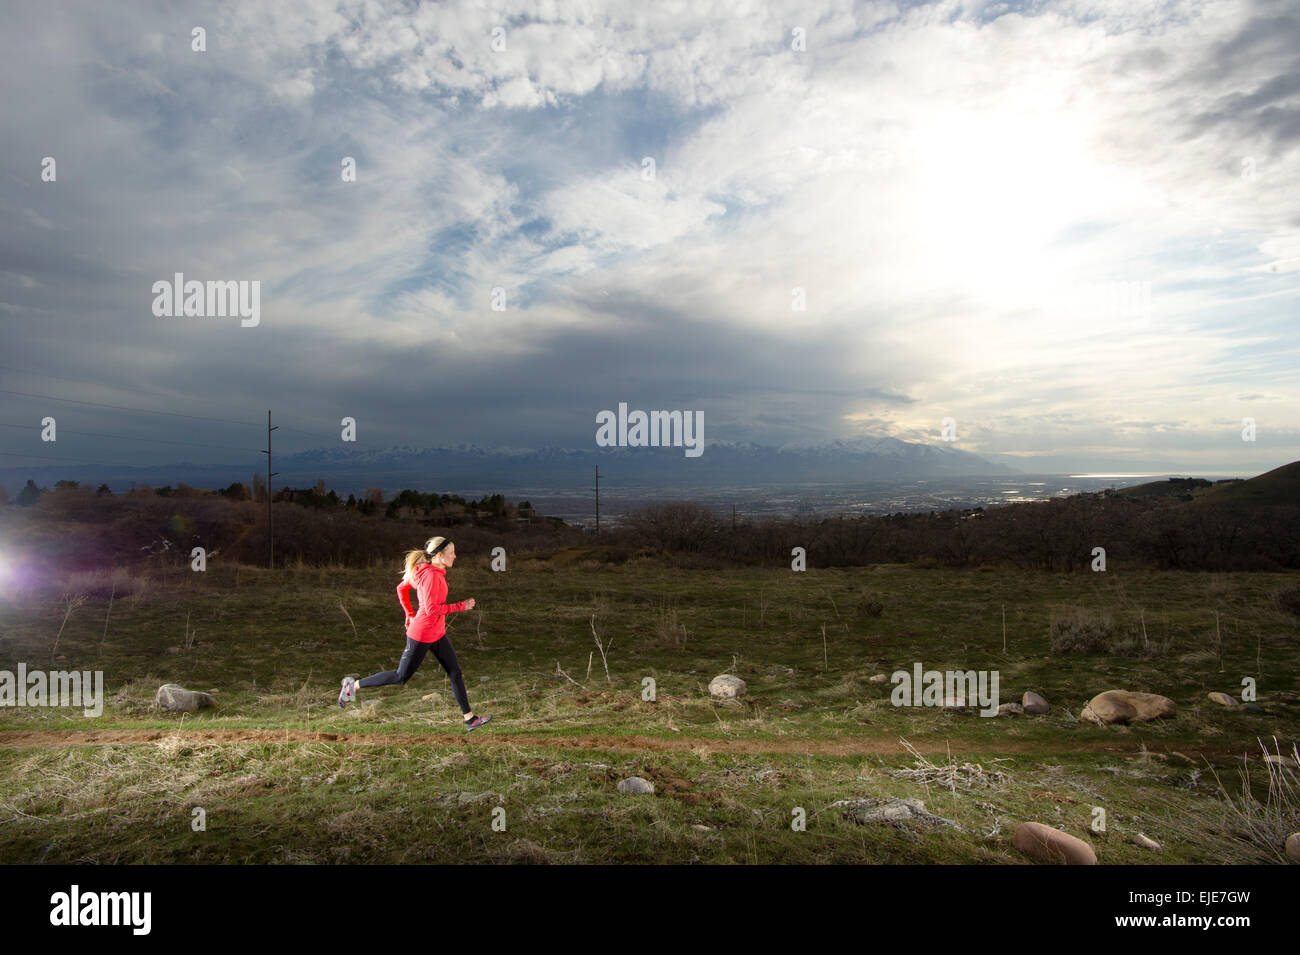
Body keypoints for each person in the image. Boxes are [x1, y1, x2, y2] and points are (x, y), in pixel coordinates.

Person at [338, 536, 491, 731]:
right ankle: (353, 686)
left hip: (436, 633)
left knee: (455, 672)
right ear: (440, 555)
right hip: (421, 634)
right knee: (401, 677)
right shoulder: (430, 576)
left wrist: (409, 613)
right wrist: (462, 606)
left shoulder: (428, 571)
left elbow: (401, 588)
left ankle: (470, 719)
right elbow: (431, 610)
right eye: (451, 553)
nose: (455, 556)